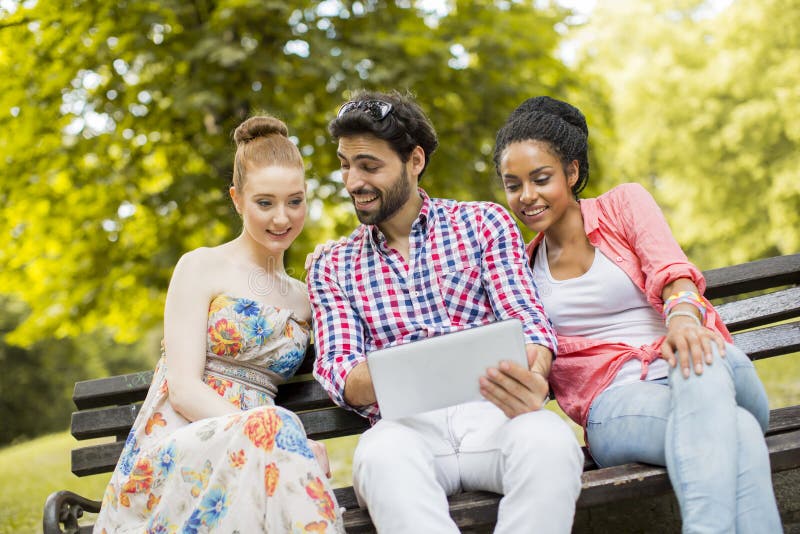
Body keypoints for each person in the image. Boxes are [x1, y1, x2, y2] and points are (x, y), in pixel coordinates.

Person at [491, 96, 782, 533]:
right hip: (617, 405)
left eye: (541, 178)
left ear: (572, 172)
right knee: (736, 430)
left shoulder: (622, 205)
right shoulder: (521, 267)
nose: (527, 196)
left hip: (699, 364)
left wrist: (683, 321)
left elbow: (673, 272)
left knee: (694, 362)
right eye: (513, 185)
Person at [307, 90, 584, 534]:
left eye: (369, 166)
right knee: (380, 459)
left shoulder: (484, 224)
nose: (353, 181)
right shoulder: (332, 265)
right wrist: (417, 370)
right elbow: (341, 371)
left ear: (414, 161)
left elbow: (528, 320)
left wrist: (535, 374)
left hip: (495, 413)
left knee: (551, 444)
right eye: (345, 165)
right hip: (405, 430)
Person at [94, 116, 344, 533]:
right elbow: (184, 389)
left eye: (294, 201)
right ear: (237, 199)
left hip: (265, 454)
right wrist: (285, 436)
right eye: (265, 203)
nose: (281, 218)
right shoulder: (201, 267)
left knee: (277, 445)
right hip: (181, 442)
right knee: (278, 427)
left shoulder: (304, 297)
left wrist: (337, 266)